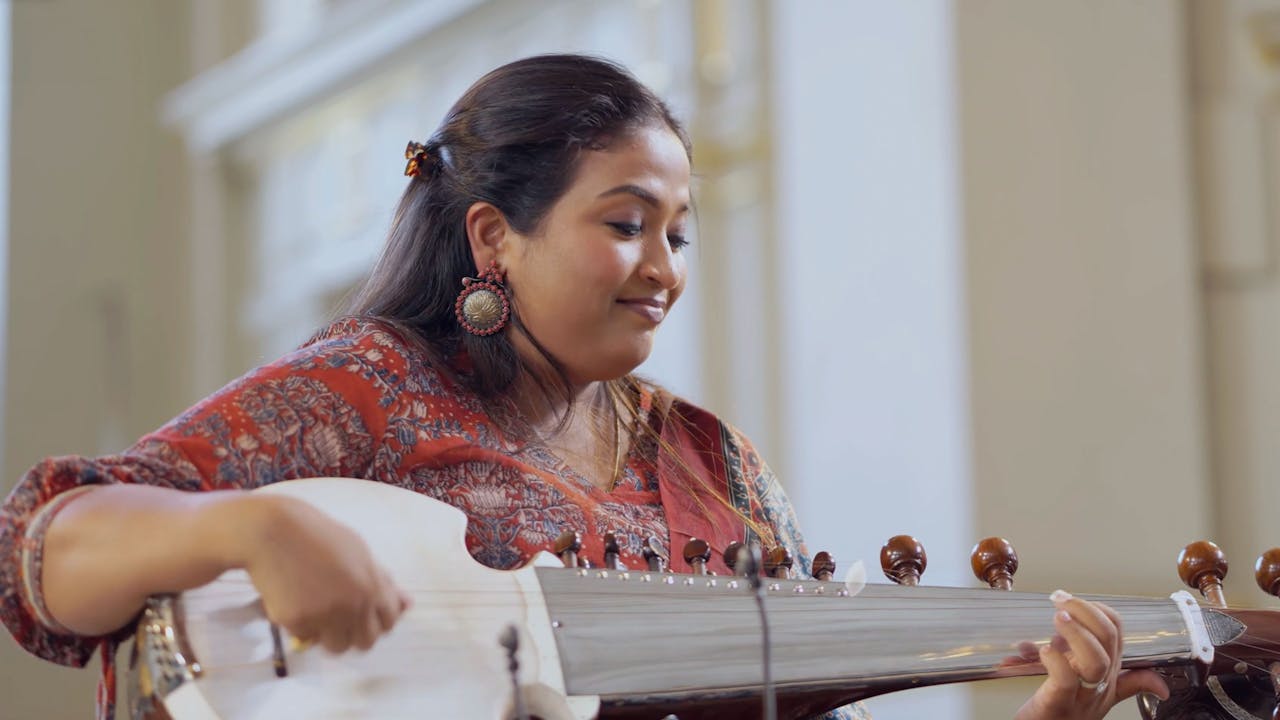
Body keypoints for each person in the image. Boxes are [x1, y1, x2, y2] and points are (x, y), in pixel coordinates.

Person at [0, 54, 1167, 720]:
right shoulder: (365, 392)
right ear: (494, 240)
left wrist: (1054, 713)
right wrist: (250, 527)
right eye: (624, 225)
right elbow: (46, 550)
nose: (663, 270)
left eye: (681, 234)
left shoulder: (713, 466)